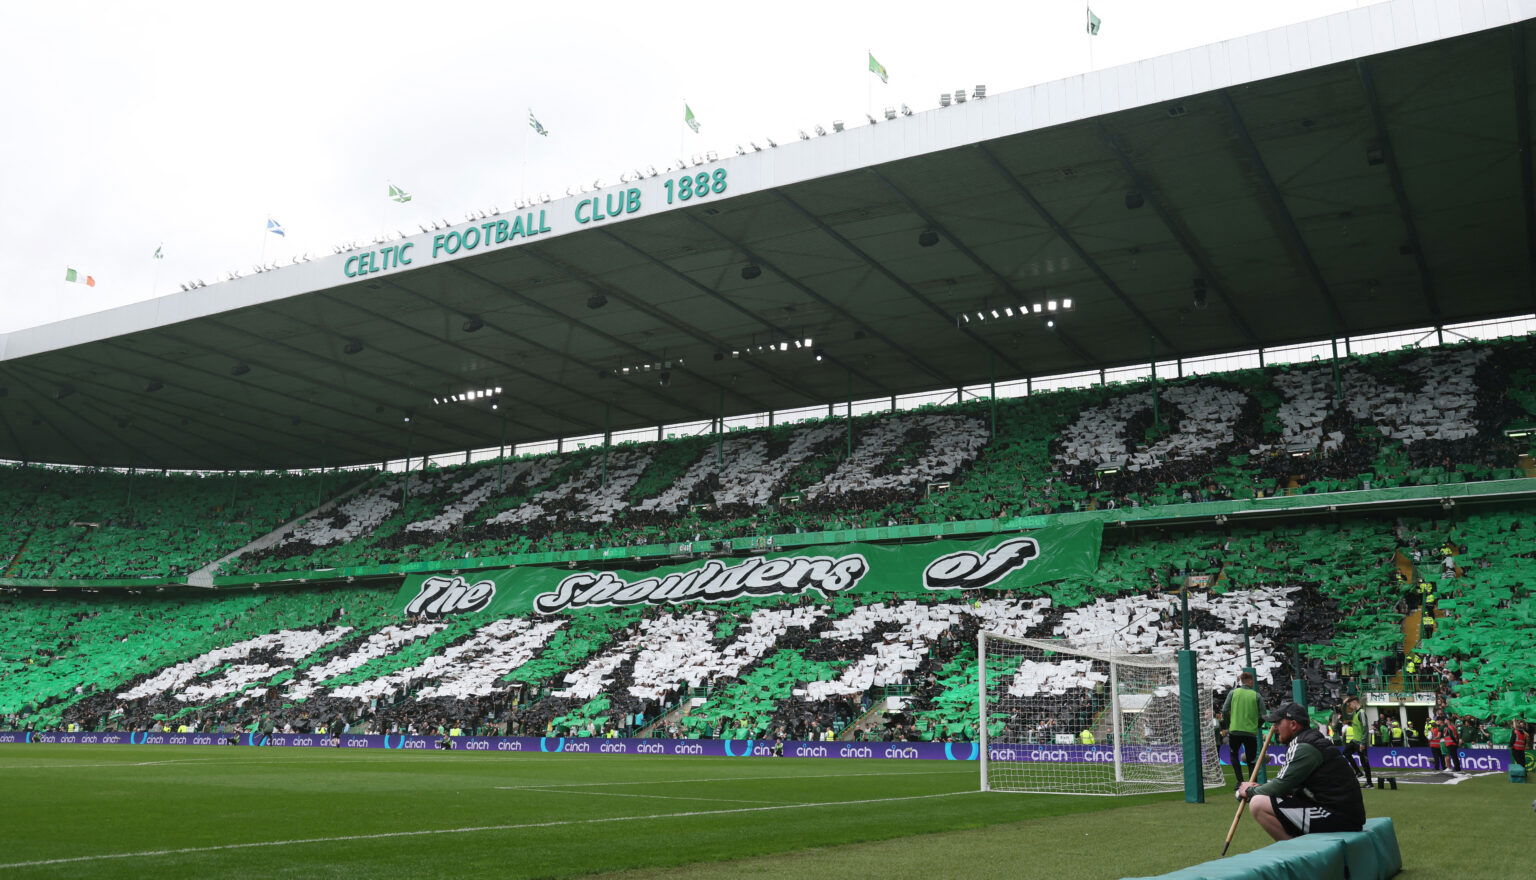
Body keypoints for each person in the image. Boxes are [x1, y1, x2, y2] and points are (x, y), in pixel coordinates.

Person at [1237, 703, 1366, 840]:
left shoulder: (1303, 747)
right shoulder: (1308, 741)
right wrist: (1260, 788)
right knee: (1274, 798)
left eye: (1278, 723)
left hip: (1337, 816)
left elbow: (1280, 785)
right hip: (1343, 814)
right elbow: (1287, 786)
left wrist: (1249, 792)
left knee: (1258, 804)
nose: (1274, 728)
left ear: (1293, 724)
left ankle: (1297, 854)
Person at [1221, 672, 1264, 789]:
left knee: (1234, 755)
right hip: (1250, 732)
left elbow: (1224, 710)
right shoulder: (1256, 695)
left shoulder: (1233, 693)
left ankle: (1239, 781)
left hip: (1234, 731)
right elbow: (1263, 715)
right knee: (1251, 759)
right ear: (1250, 681)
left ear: (1241, 681)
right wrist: (1258, 725)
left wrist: (1229, 723)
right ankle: (1251, 783)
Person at [1339, 696, 1373, 788]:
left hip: (1361, 742)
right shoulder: (1355, 713)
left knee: (1364, 762)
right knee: (1346, 753)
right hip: (1355, 741)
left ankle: (1369, 782)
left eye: (1350, 704)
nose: (1349, 706)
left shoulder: (1361, 713)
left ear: (1354, 702)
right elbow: (1345, 715)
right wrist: (1343, 704)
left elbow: (1365, 728)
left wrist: (1363, 743)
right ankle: (1358, 772)